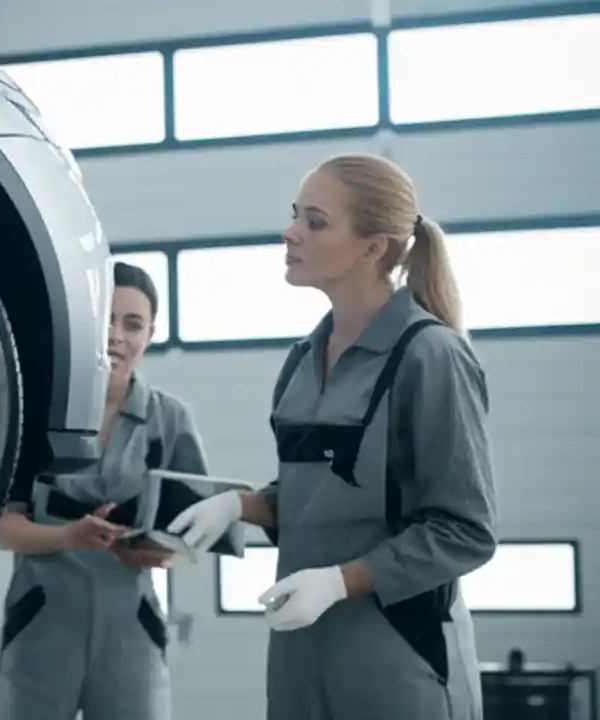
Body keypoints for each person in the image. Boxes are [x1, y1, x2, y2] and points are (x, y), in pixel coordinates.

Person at [169, 152, 498, 720]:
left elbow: (464, 531)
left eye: (315, 222)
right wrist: (240, 505)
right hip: (300, 657)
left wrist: (341, 583)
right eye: (295, 214)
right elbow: (319, 497)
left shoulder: (430, 356)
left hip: (398, 658)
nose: (290, 232)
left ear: (373, 248)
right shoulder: (302, 361)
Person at [0, 261, 209, 720]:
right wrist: (69, 536)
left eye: (133, 324)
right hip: (42, 620)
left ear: (150, 334)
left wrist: (157, 551)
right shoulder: (34, 415)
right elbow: (4, 531)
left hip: (131, 626)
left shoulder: (170, 421)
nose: (116, 337)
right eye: (106, 321)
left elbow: (192, 532)